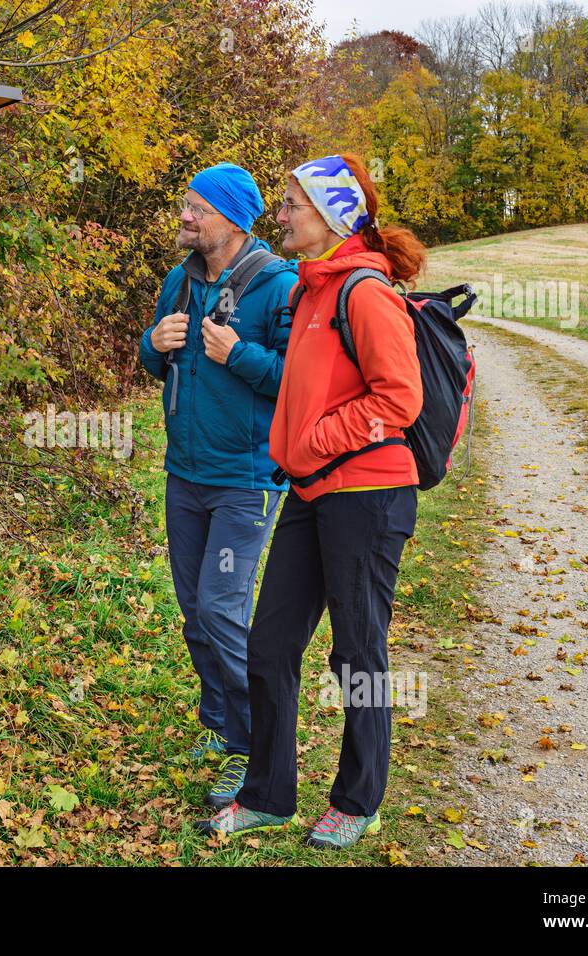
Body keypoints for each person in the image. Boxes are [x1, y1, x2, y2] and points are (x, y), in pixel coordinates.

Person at [195, 153, 426, 848]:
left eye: (293, 203)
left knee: (357, 656)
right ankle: (269, 793)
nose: (282, 214)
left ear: (328, 217)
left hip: (369, 496)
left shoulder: (364, 291)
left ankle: (359, 798)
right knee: (270, 644)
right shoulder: (309, 290)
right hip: (309, 489)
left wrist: (320, 436)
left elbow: (400, 398)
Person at [139, 163, 299, 809]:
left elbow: (299, 380)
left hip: (246, 479)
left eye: (196, 207)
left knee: (221, 610)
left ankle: (253, 747)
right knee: (194, 613)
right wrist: (154, 345)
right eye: (185, 202)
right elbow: (156, 365)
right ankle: (222, 720)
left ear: (233, 219)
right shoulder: (178, 282)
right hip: (186, 472)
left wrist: (240, 355)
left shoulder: (277, 287)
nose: (184, 215)